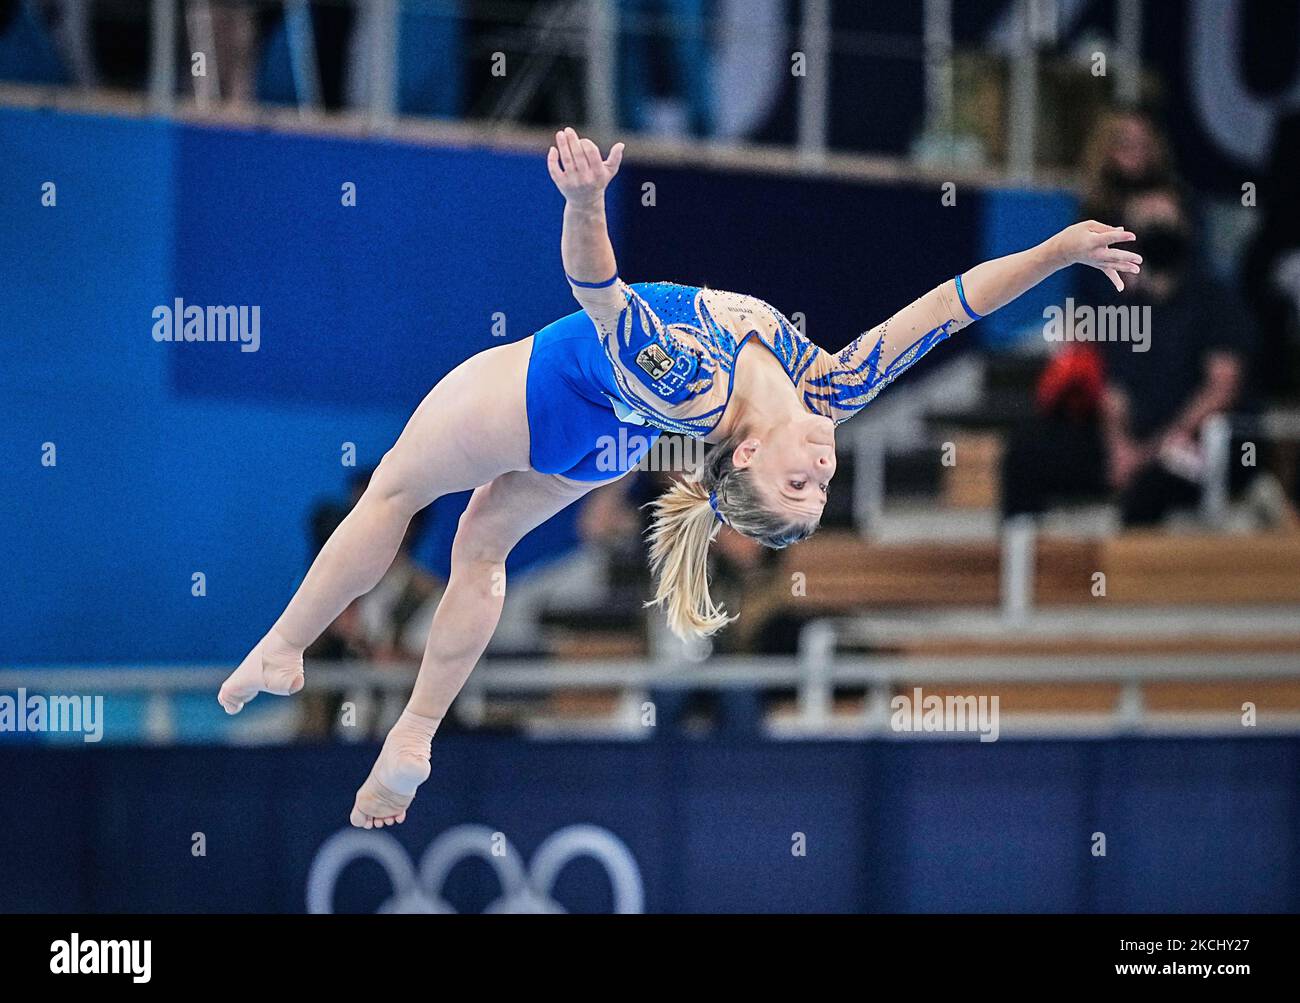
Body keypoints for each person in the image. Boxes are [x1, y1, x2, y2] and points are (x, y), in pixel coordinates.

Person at [217, 127, 1142, 828]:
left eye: (797, 487)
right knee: (482, 545)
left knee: (397, 488)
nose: (820, 475)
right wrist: (1058, 252)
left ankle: (287, 642)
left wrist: (583, 203)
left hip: (550, 391)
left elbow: (599, 294)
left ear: (746, 457)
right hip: (605, 444)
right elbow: (955, 304)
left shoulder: (695, 377)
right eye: (819, 491)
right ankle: (413, 734)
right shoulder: (836, 382)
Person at [1001, 185, 1254, 525]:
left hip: (1196, 445)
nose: (1158, 233)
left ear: (1186, 227)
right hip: (1131, 444)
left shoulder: (1216, 301)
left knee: (1152, 485)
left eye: (1164, 222)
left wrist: (1148, 453)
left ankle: (1126, 577)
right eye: (1147, 225)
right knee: (1026, 452)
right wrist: (1119, 448)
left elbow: (1221, 388)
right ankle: (1027, 568)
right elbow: (1113, 393)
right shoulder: (1123, 307)